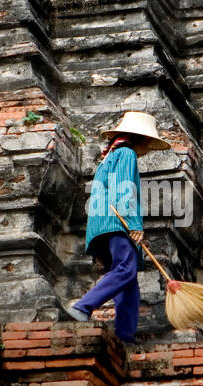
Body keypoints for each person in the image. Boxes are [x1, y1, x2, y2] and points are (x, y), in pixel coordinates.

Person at [65, 111, 170, 343]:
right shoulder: (126, 153)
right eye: (149, 144)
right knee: (125, 270)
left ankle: (125, 336)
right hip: (116, 222)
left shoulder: (110, 156)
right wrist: (133, 224)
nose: (148, 149)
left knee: (128, 283)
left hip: (102, 224)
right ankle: (82, 307)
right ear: (140, 139)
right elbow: (123, 188)